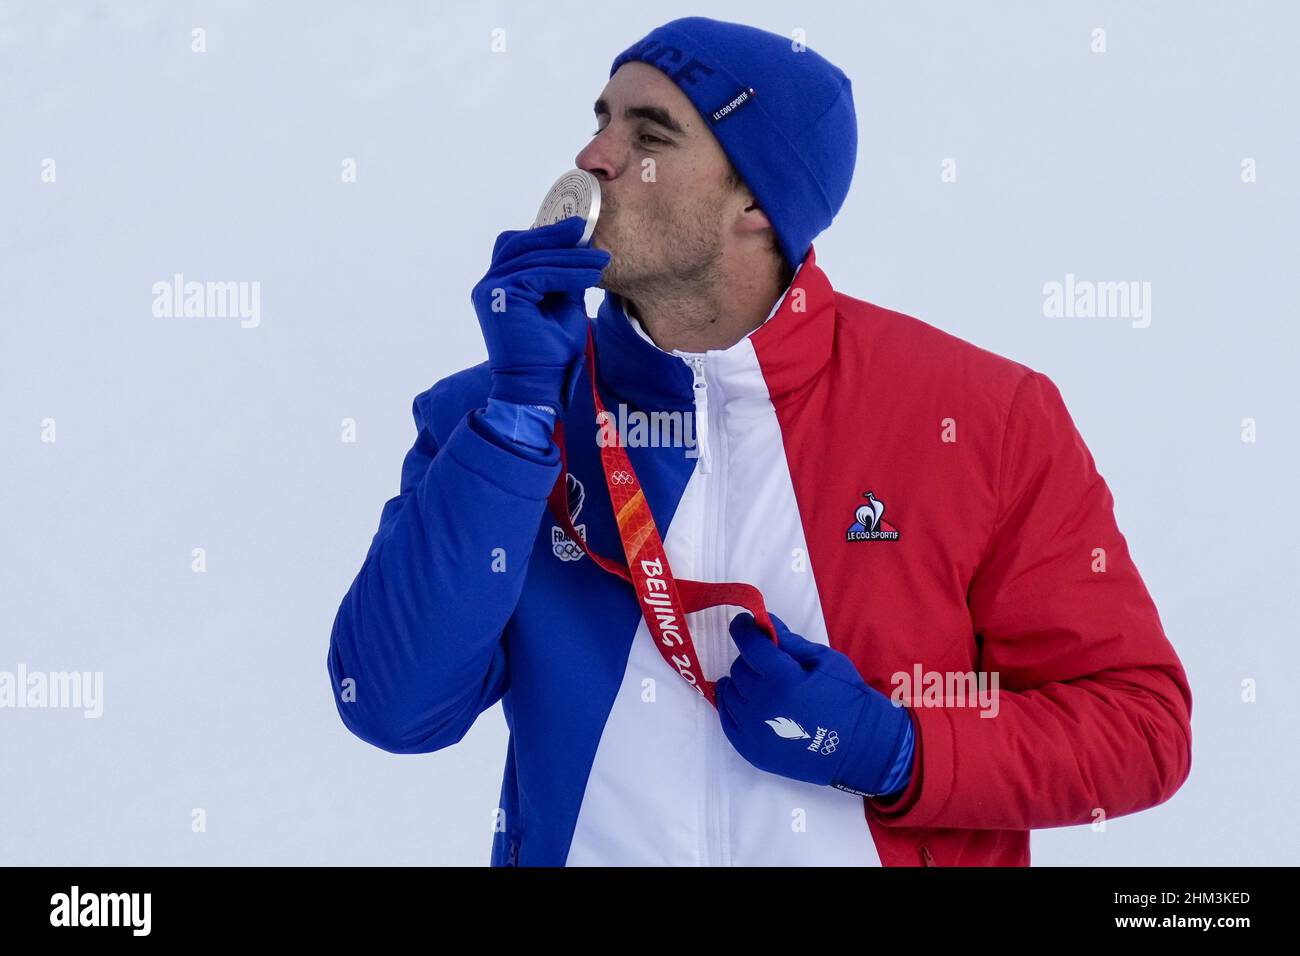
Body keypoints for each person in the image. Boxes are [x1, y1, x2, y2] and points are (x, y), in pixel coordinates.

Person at [327, 16, 1193, 866]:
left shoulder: (983, 416)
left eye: (649, 133)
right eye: (599, 121)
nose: (592, 158)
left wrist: (900, 752)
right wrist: (515, 419)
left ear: (756, 198)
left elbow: (1142, 729)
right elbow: (393, 707)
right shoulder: (493, 416)